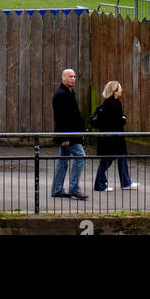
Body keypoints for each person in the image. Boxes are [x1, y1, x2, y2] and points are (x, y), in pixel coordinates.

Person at [92, 80, 139, 192]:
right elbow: (116, 121)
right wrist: (122, 120)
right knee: (107, 161)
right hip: (112, 138)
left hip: (113, 137)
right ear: (114, 91)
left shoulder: (112, 103)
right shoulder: (112, 104)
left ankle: (125, 182)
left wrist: (121, 119)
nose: (121, 90)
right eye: (119, 88)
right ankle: (100, 184)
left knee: (120, 158)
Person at [51, 68, 87, 200]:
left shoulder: (69, 92)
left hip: (73, 134)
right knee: (80, 156)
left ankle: (57, 189)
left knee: (63, 161)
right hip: (69, 135)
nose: (73, 79)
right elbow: (61, 118)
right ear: (63, 78)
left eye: (74, 76)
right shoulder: (61, 94)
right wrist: (65, 138)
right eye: (70, 77)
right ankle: (74, 189)